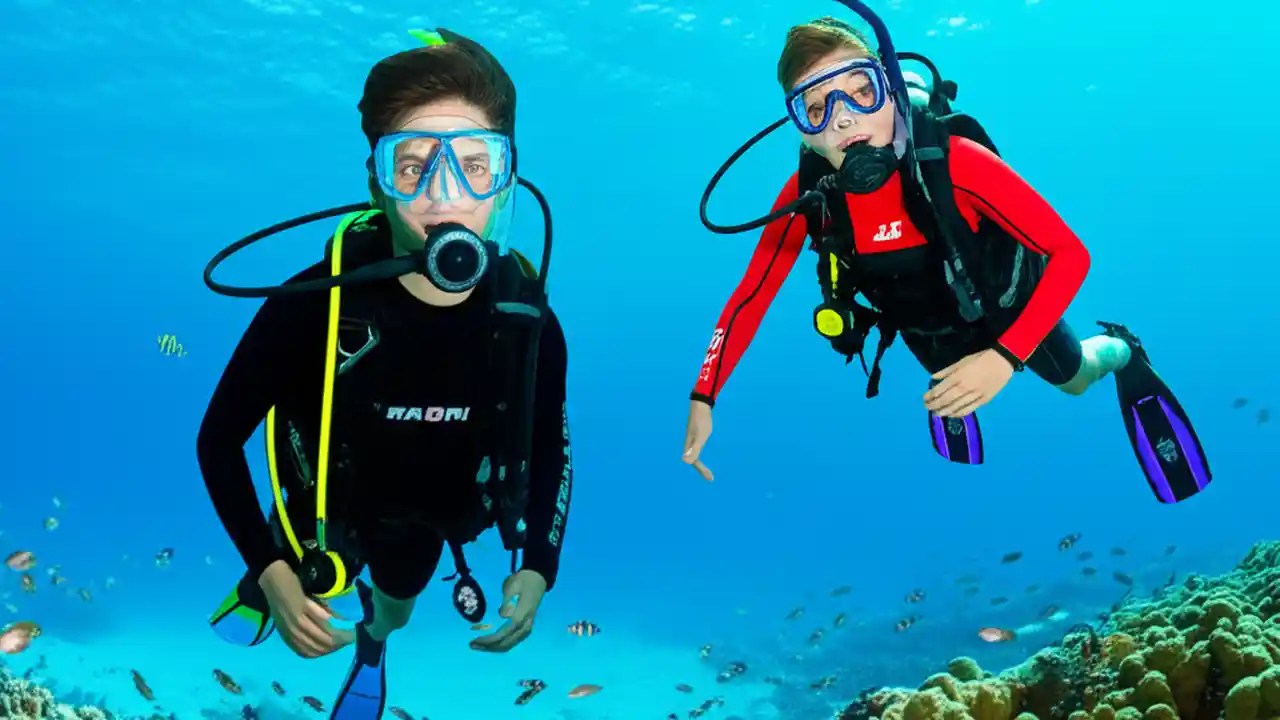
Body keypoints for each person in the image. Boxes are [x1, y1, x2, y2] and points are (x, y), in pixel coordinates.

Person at [685, 1, 1211, 504]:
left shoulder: (955, 162)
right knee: (944, 374)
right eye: (816, 107)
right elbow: (749, 298)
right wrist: (704, 396)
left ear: (890, 88)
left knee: (1075, 382)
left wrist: (1004, 358)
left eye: (859, 91)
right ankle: (958, 373)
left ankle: (1120, 350)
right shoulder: (809, 196)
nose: (843, 118)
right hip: (922, 322)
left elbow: (1071, 255)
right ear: (801, 129)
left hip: (1011, 311)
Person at [196, 27, 574, 720]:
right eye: (413, 166)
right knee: (306, 564)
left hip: (430, 521)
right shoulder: (311, 305)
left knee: (396, 609)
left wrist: (538, 567)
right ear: (378, 181)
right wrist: (270, 570)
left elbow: (551, 445)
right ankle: (278, 570)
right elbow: (217, 441)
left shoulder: (529, 321)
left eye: (473, 164)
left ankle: (371, 644)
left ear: (506, 177)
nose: (444, 194)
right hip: (324, 502)